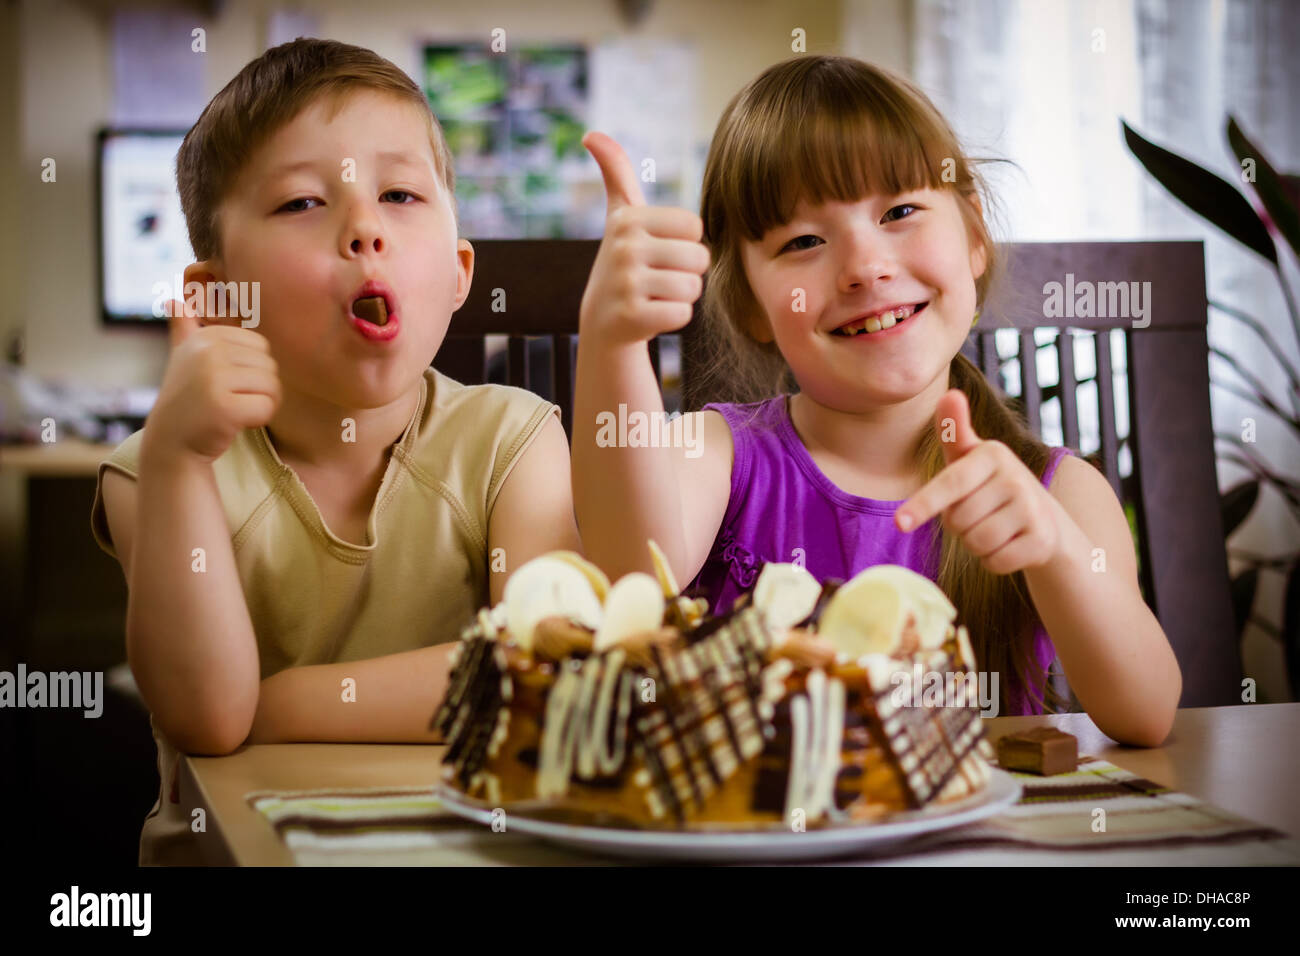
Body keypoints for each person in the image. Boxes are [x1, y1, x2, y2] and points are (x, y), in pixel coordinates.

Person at [571, 55, 1180, 744]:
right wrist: (613, 342)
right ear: (748, 305)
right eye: (803, 240)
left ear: (974, 236)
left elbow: (1147, 714)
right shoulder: (719, 455)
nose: (865, 267)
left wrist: (1056, 552)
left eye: (899, 211)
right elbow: (631, 569)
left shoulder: (1061, 491)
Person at [89, 39, 580, 865]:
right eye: (301, 204)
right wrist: (177, 459)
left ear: (460, 273)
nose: (364, 229)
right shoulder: (161, 471)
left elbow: (539, 674)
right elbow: (209, 717)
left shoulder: (514, 436)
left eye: (398, 193)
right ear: (216, 299)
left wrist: (276, 706)